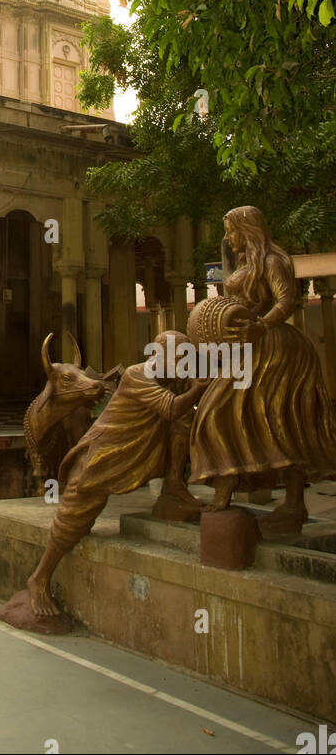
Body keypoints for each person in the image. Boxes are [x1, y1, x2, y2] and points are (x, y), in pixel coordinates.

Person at [27, 331, 208, 618]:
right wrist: (198, 389)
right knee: (73, 518)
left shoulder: (171, 379)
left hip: (137, 452)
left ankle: (173, 485)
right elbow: (172, 407)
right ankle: (39, 578)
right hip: (103, 455)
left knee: (185, 420)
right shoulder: (139, 375)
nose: (185, 363)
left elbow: (181, 414)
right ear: (158, 356)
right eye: (179, 356)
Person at [189, 205, 336, 534]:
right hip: (248, 348)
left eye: (231, 231)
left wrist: (261, 325)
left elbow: (286, 301)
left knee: (283, 420)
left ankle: (294, 504)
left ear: (248, 229)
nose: (228, 238)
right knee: (218, 413)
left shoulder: (274, 260)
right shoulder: (247, 263)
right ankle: (226, 487)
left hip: (277, 349)